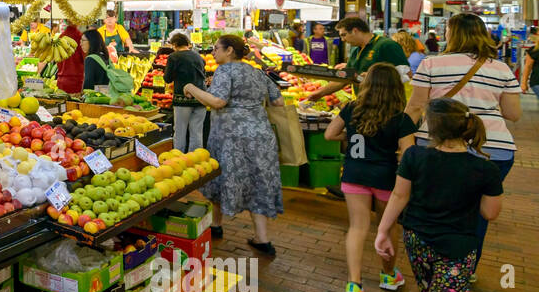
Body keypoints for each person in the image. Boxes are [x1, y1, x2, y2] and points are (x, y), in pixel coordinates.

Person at [375, 98, 503, 292]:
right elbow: (490, 212)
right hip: (457, 247)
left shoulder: (414, 156)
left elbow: (400, 195)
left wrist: (382, 231)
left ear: (432, 127)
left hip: (417, 239)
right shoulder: (485, 168)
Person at [405, 12, 520, 273]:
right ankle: (464, 269)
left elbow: (414, 107)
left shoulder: (431, 64)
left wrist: (401, 138)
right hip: (493, 149)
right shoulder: (501, 68)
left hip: (435, 145)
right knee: (477, 212)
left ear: (452, 34)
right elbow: (514, 114)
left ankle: (433, 264)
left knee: (433, 204)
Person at [324, 63, 416, 292]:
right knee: (386, 227)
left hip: (354, 174)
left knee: (357, 228)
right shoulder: (401, 117)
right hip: (385, 177)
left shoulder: (352, 108)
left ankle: (354, 284)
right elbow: (409, 153)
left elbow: (329, 135)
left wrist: (354, 138)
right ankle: (388, 274)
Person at [182, 34, 284, 255]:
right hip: (261, 136)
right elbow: (278, 101)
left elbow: (218, 101)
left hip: (231, 136)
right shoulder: (257, 72)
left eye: (216, 48)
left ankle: (216, 226)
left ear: (229, 51)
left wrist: (191, 87)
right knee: (258, 182)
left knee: (221, 175)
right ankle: (263, 238)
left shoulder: (225, 71)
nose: (213, 52)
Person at [303, 16, 409, 103]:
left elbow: (407, 74)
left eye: (344, 35)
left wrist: (374, 76)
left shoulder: (386, 45)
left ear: (355, 31)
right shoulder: (355, 52)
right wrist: (320, 93)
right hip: (363, 104)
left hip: (385, 105)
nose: (343, 40)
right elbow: (344, 79)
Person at [164, 30, 207, 152]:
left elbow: (167, 78)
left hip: (182, 99)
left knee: (180, 131)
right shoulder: (198, 56)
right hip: (201, 98)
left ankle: (178, 158)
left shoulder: (174, 57)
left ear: (175, 44)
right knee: (197, 132)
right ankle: (196, 159)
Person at [54, 24, 85, 95]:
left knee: (62, 105)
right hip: (76, 81)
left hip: (61, 81)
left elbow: (57, 59)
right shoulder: (80, 37)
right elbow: (85, 59)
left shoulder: (60, 37)